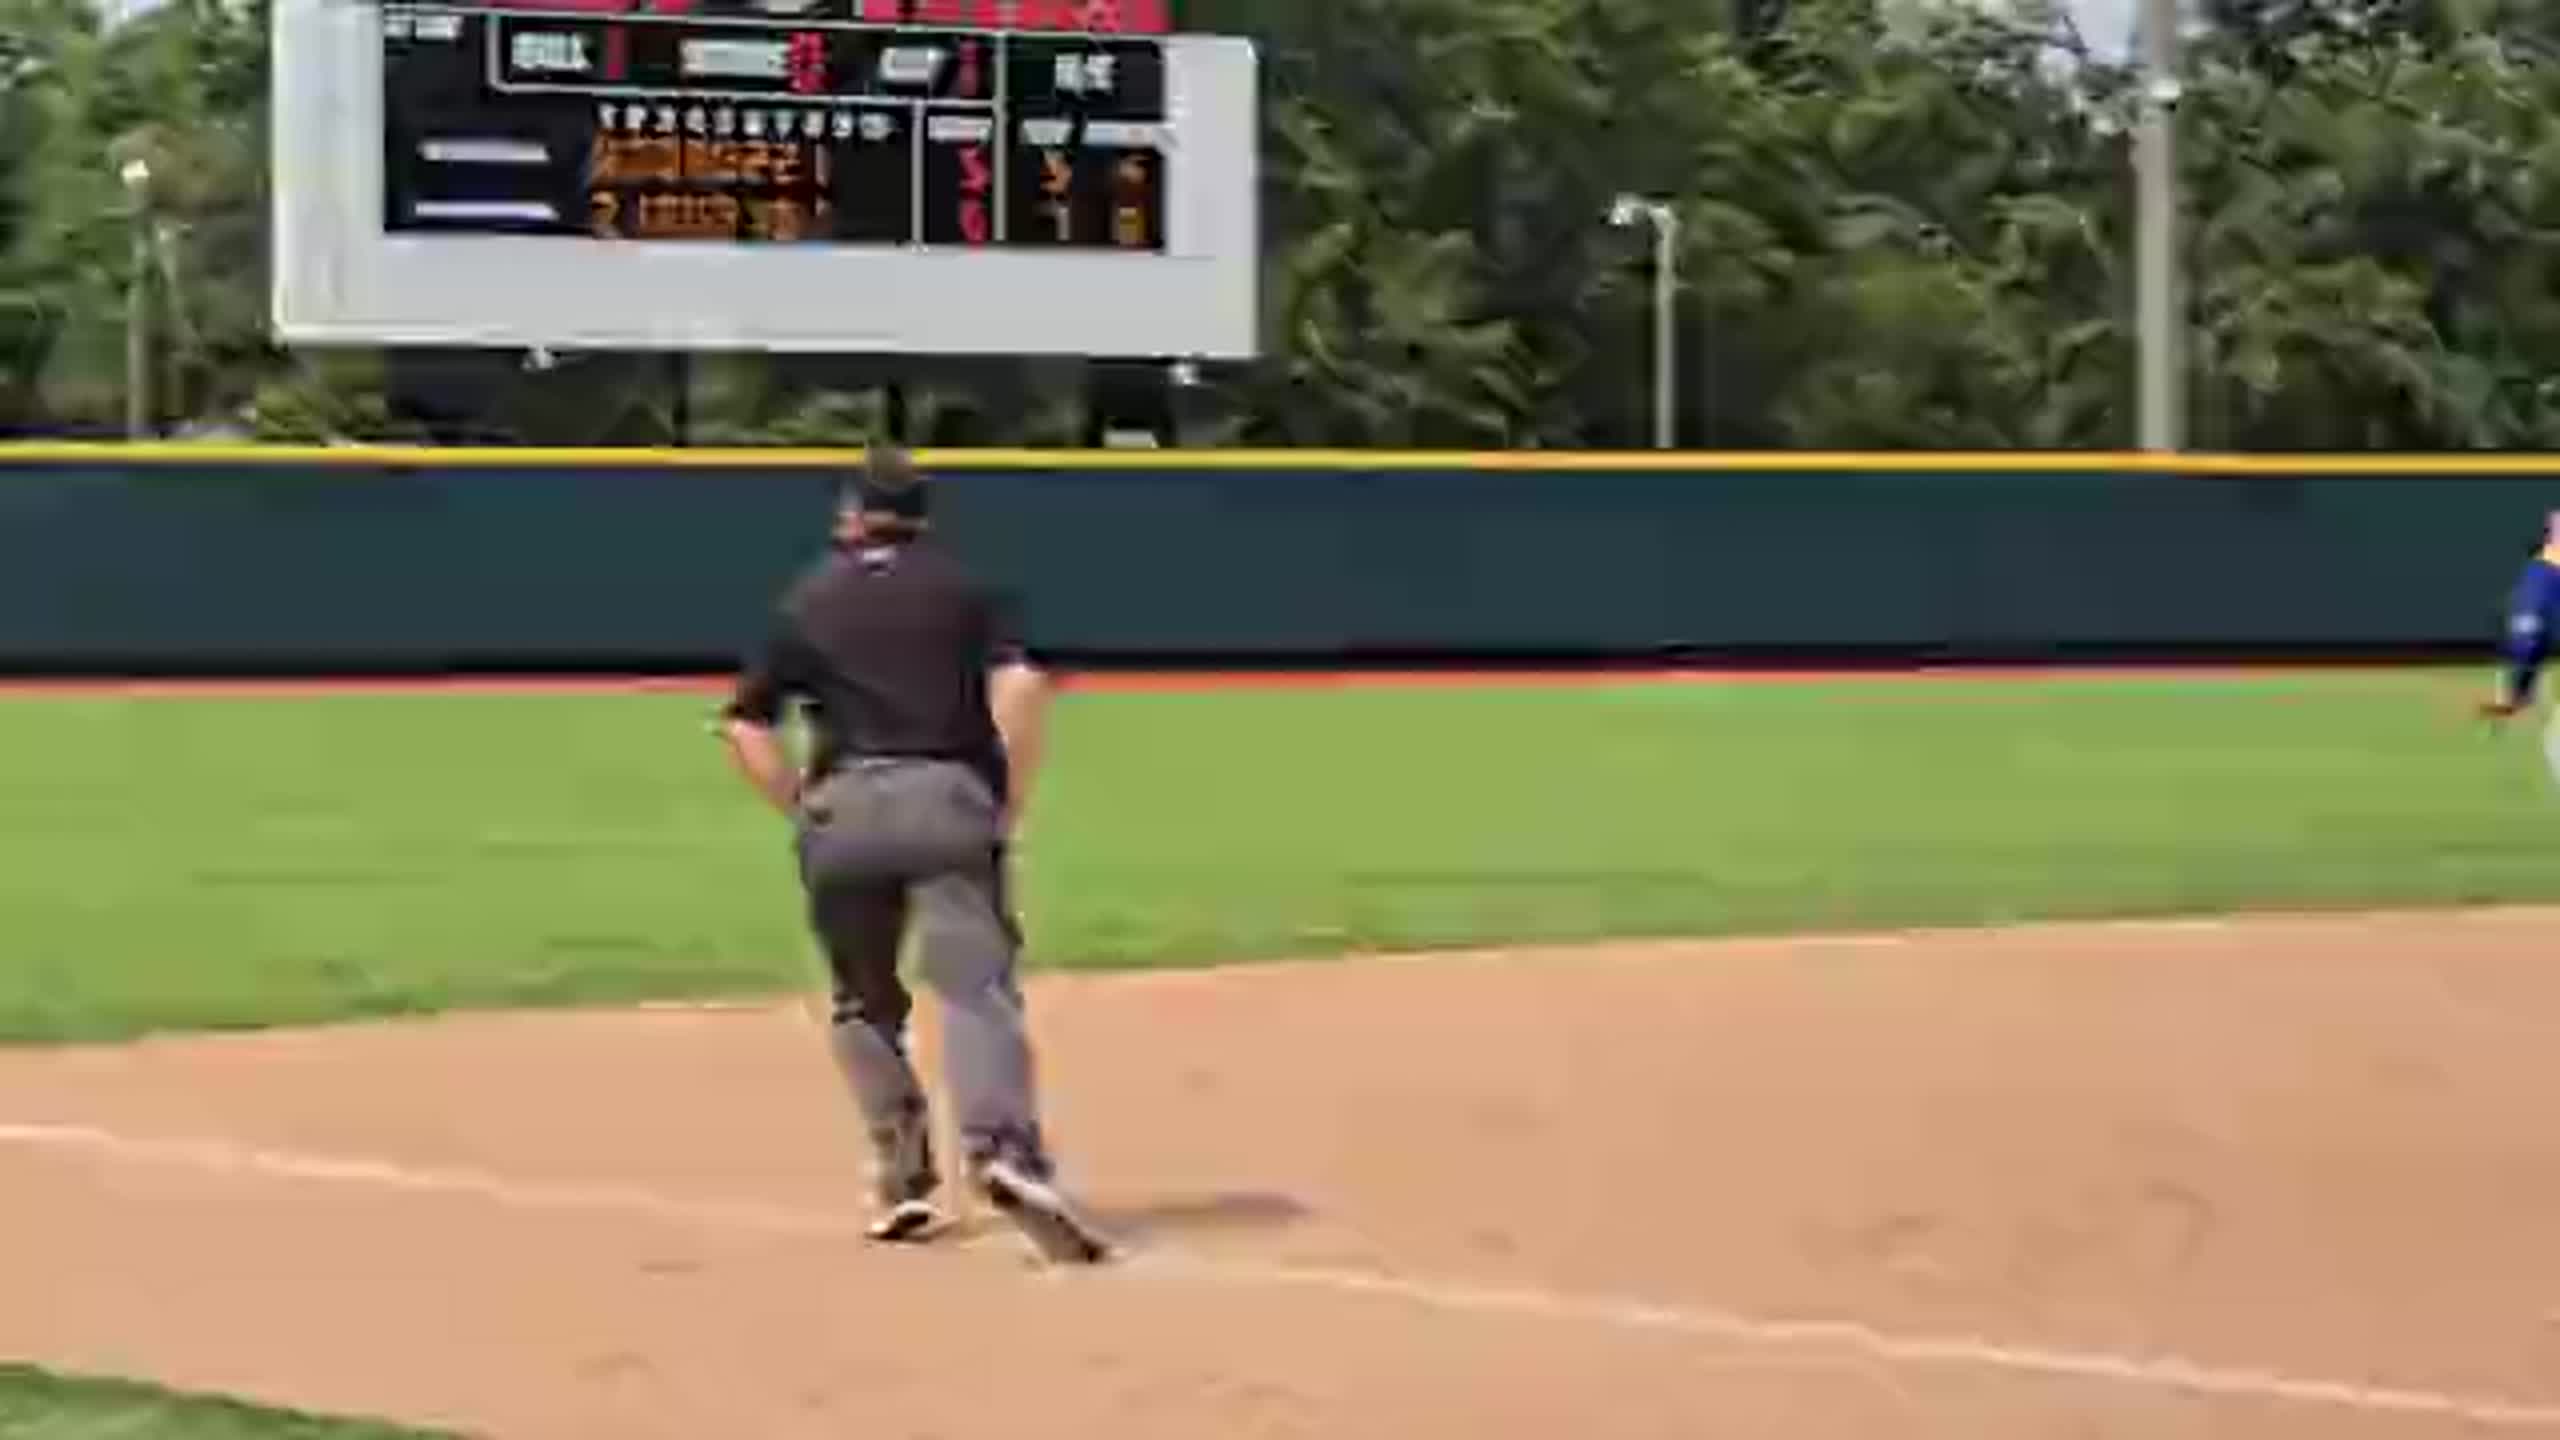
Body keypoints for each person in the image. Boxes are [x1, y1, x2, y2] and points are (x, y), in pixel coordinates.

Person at [716, 445, 1109, 1265]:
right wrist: (1005, 798)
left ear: (853, 515)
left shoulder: (807, 596)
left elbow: (745, 722)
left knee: (863, 1001)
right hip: (947, 797)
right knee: (976, 991)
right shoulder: (967, 591)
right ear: (923, 517)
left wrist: (799, 806)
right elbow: (1024, 687)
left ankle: (902, 1181)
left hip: (845, 807)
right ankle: (1004, 1154)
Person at [2480, 509, 2560, 723]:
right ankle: (2516, 698)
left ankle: (2516, 698)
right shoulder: (2542, 568)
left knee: (2530, 644)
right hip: (2536, 600)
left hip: (2541, 601)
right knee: (2528, 643)